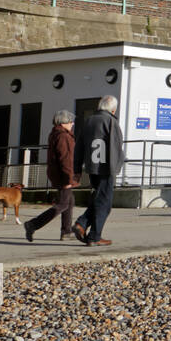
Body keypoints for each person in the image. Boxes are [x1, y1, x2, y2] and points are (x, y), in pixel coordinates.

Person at [73, 95, 124, 247]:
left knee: (98, 199)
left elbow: (79, 146)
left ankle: (85, 228)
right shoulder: (111, 121)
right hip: (106, 168)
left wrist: (77, 168)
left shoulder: (89, 120)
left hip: (92, 166)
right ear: (113, 109)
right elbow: (116, 147)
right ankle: (92, 234)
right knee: (104, 203)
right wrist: (116, 168)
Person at [24, 109, 81, 243]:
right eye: (70, 121)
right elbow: (66, 159)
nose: (72, 123)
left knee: (69, 201)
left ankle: (66, 232)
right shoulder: (64, 136)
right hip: (63, 175)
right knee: (62, 204)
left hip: (58, 173)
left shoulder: (55, 134)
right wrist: (68, 178)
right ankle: (33, 224)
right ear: (63, 122)